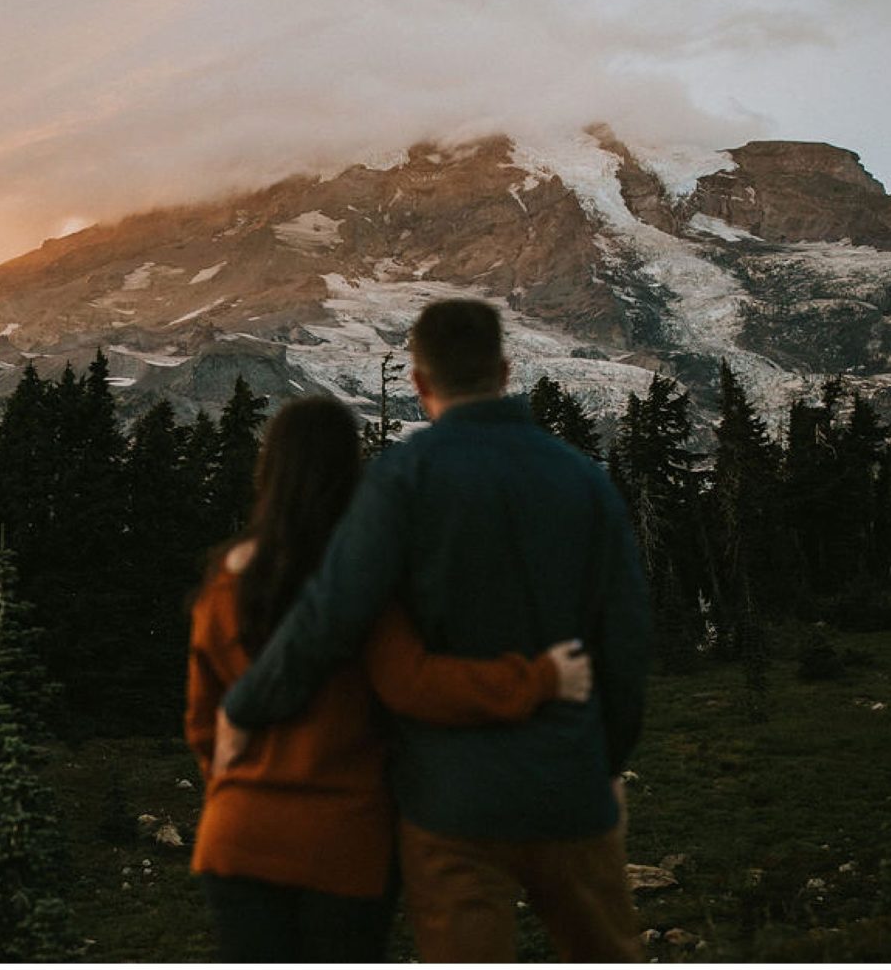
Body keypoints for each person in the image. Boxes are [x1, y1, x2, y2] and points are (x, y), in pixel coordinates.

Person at [216, 298, 651, 962]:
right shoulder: (582, 478)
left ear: (419, 383)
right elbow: (623, 641)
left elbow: (333, 612)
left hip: (452, 808)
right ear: (505, 371)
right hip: (570, 787)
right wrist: (606, 760)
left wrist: (248, 703)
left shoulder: (403, 479)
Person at [185, 395, 593, 963]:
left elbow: (203, 725)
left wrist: (239, 790)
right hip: (343, 842)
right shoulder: (362, 586)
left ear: (269, 470)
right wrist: (540, 679)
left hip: (238, 836)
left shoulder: (222, 585)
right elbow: (416, 685)